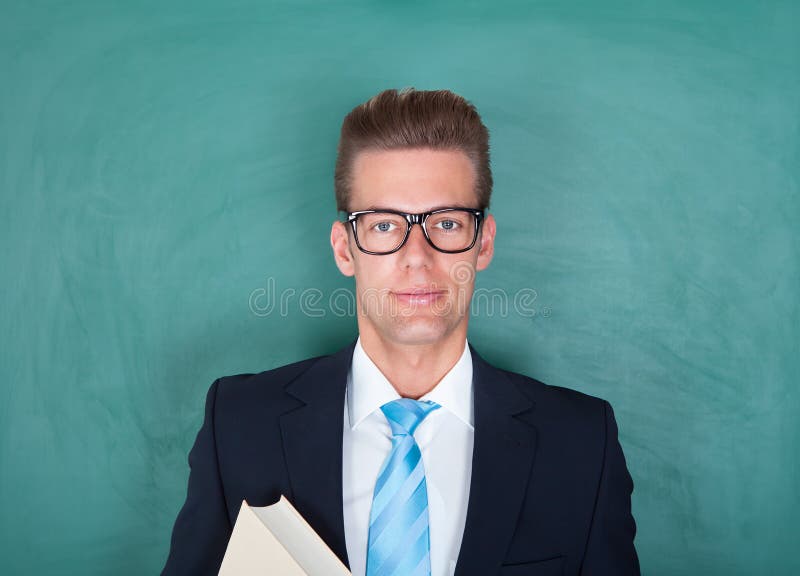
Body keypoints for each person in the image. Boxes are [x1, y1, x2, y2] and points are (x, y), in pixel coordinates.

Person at [161, 88, 640, 576]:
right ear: (345, 249)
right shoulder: (240, 428)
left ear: (484, 243)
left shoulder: (581, 447)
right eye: (385, 226)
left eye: (448, 223)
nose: (417, 256)